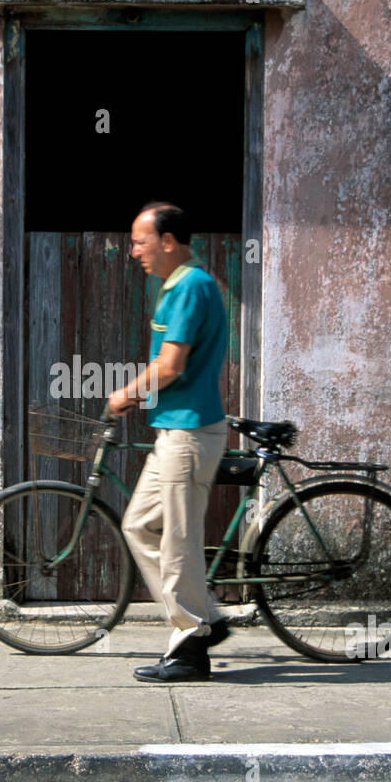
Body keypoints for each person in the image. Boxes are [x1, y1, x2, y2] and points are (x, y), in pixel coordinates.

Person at [107, 202, 233, 681]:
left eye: (140, 240)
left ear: (168, 241)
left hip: (189, 432)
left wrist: (125, 393)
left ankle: (189, 649)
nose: (134, 249)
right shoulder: (177, 286)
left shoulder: (190, 286)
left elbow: (170, 366)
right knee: (139, 525)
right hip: (176, 430)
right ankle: (206, 620)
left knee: (179, 542)